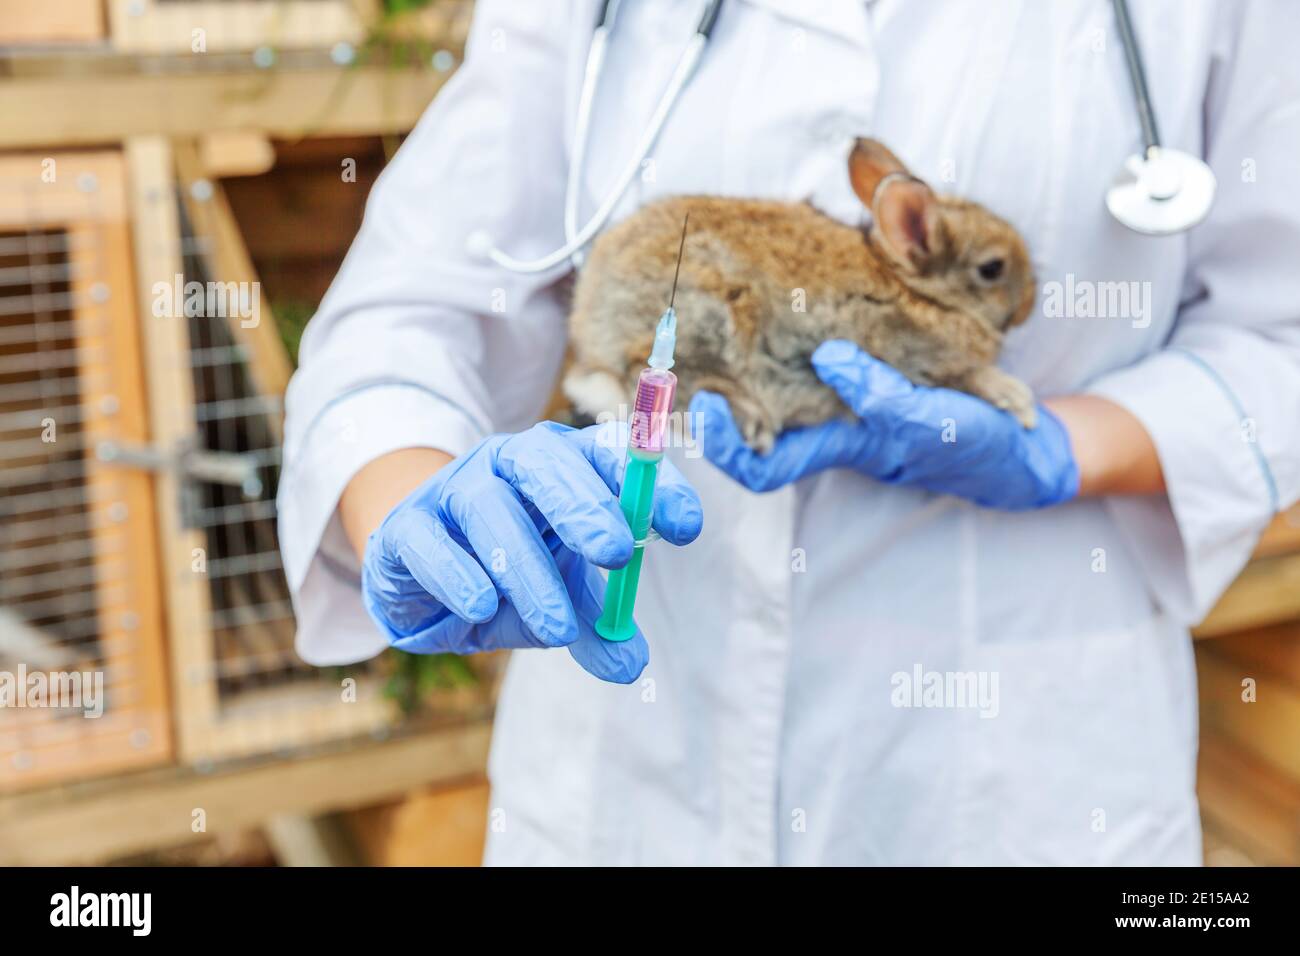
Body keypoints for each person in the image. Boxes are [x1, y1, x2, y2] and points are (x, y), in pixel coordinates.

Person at [278, 0, 1300, 864]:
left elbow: (1281, 335)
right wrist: (414, 502)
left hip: (1018, 770)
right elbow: (412, 303)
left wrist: (1065, 447)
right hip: (626, 749)